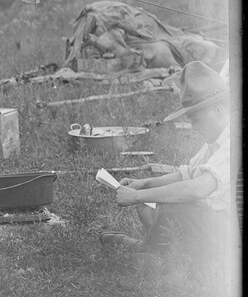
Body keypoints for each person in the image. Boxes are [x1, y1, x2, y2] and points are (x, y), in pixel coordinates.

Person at [100, 61, 234, 261]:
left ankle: (155, 256)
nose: (194, 127)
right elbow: (185, 174)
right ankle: (155, 251)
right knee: (170, 202)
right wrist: (144, 184)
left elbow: (197, 188)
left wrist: (138, 196)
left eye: (196, 119)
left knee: (177, 205)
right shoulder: (216, 140)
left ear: (221, 110)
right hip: (221, 226)